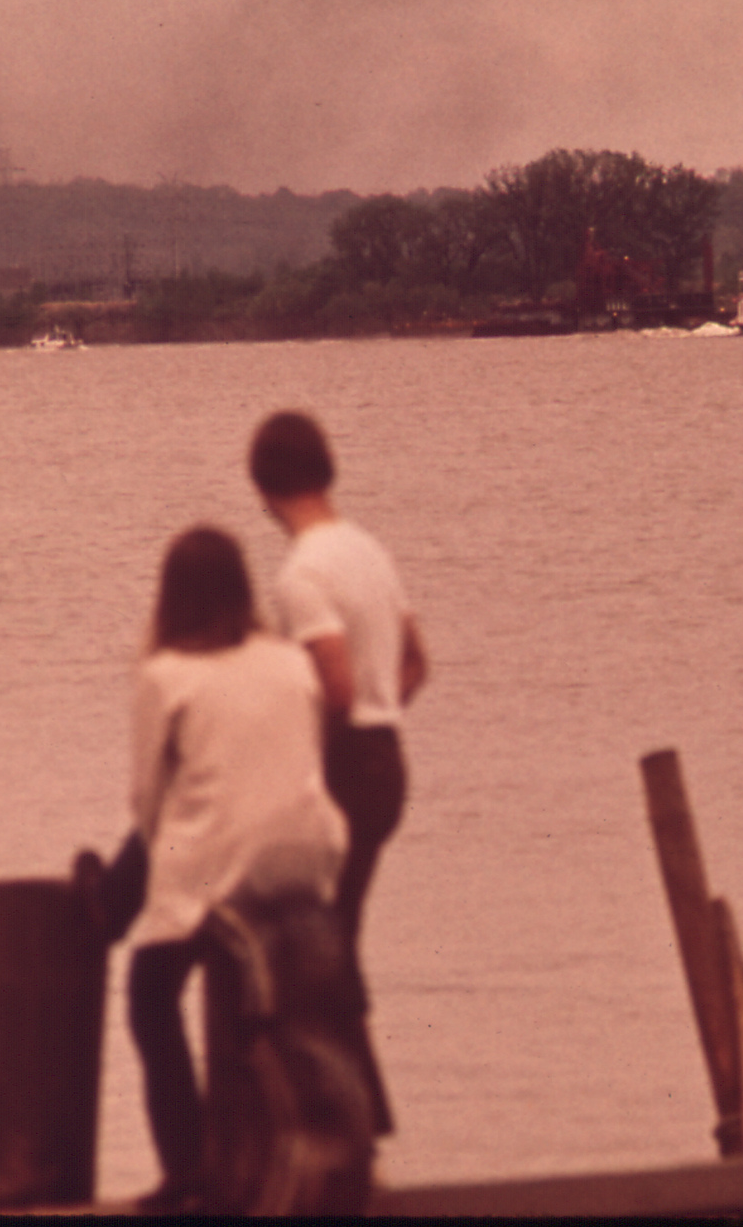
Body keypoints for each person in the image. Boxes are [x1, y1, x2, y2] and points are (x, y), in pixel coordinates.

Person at [121, 525, 347, 1212]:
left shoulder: (163, 677)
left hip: (222, 874)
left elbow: (147, 804)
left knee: (149, 993)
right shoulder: (289, 661)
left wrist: (148, 878)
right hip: (311, 855)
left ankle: (187, 1170)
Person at [248, 410, 426, 1137]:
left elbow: (336, 685)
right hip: (388, 759)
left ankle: (348, 1119)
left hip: (345, 765)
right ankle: (364, 1114)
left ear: (263, 489)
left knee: (316, 941)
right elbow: (416, 661)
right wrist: (386, 707)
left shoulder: (301, 574)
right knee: (334, 934)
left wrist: (298, 766)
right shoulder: (368, 550)